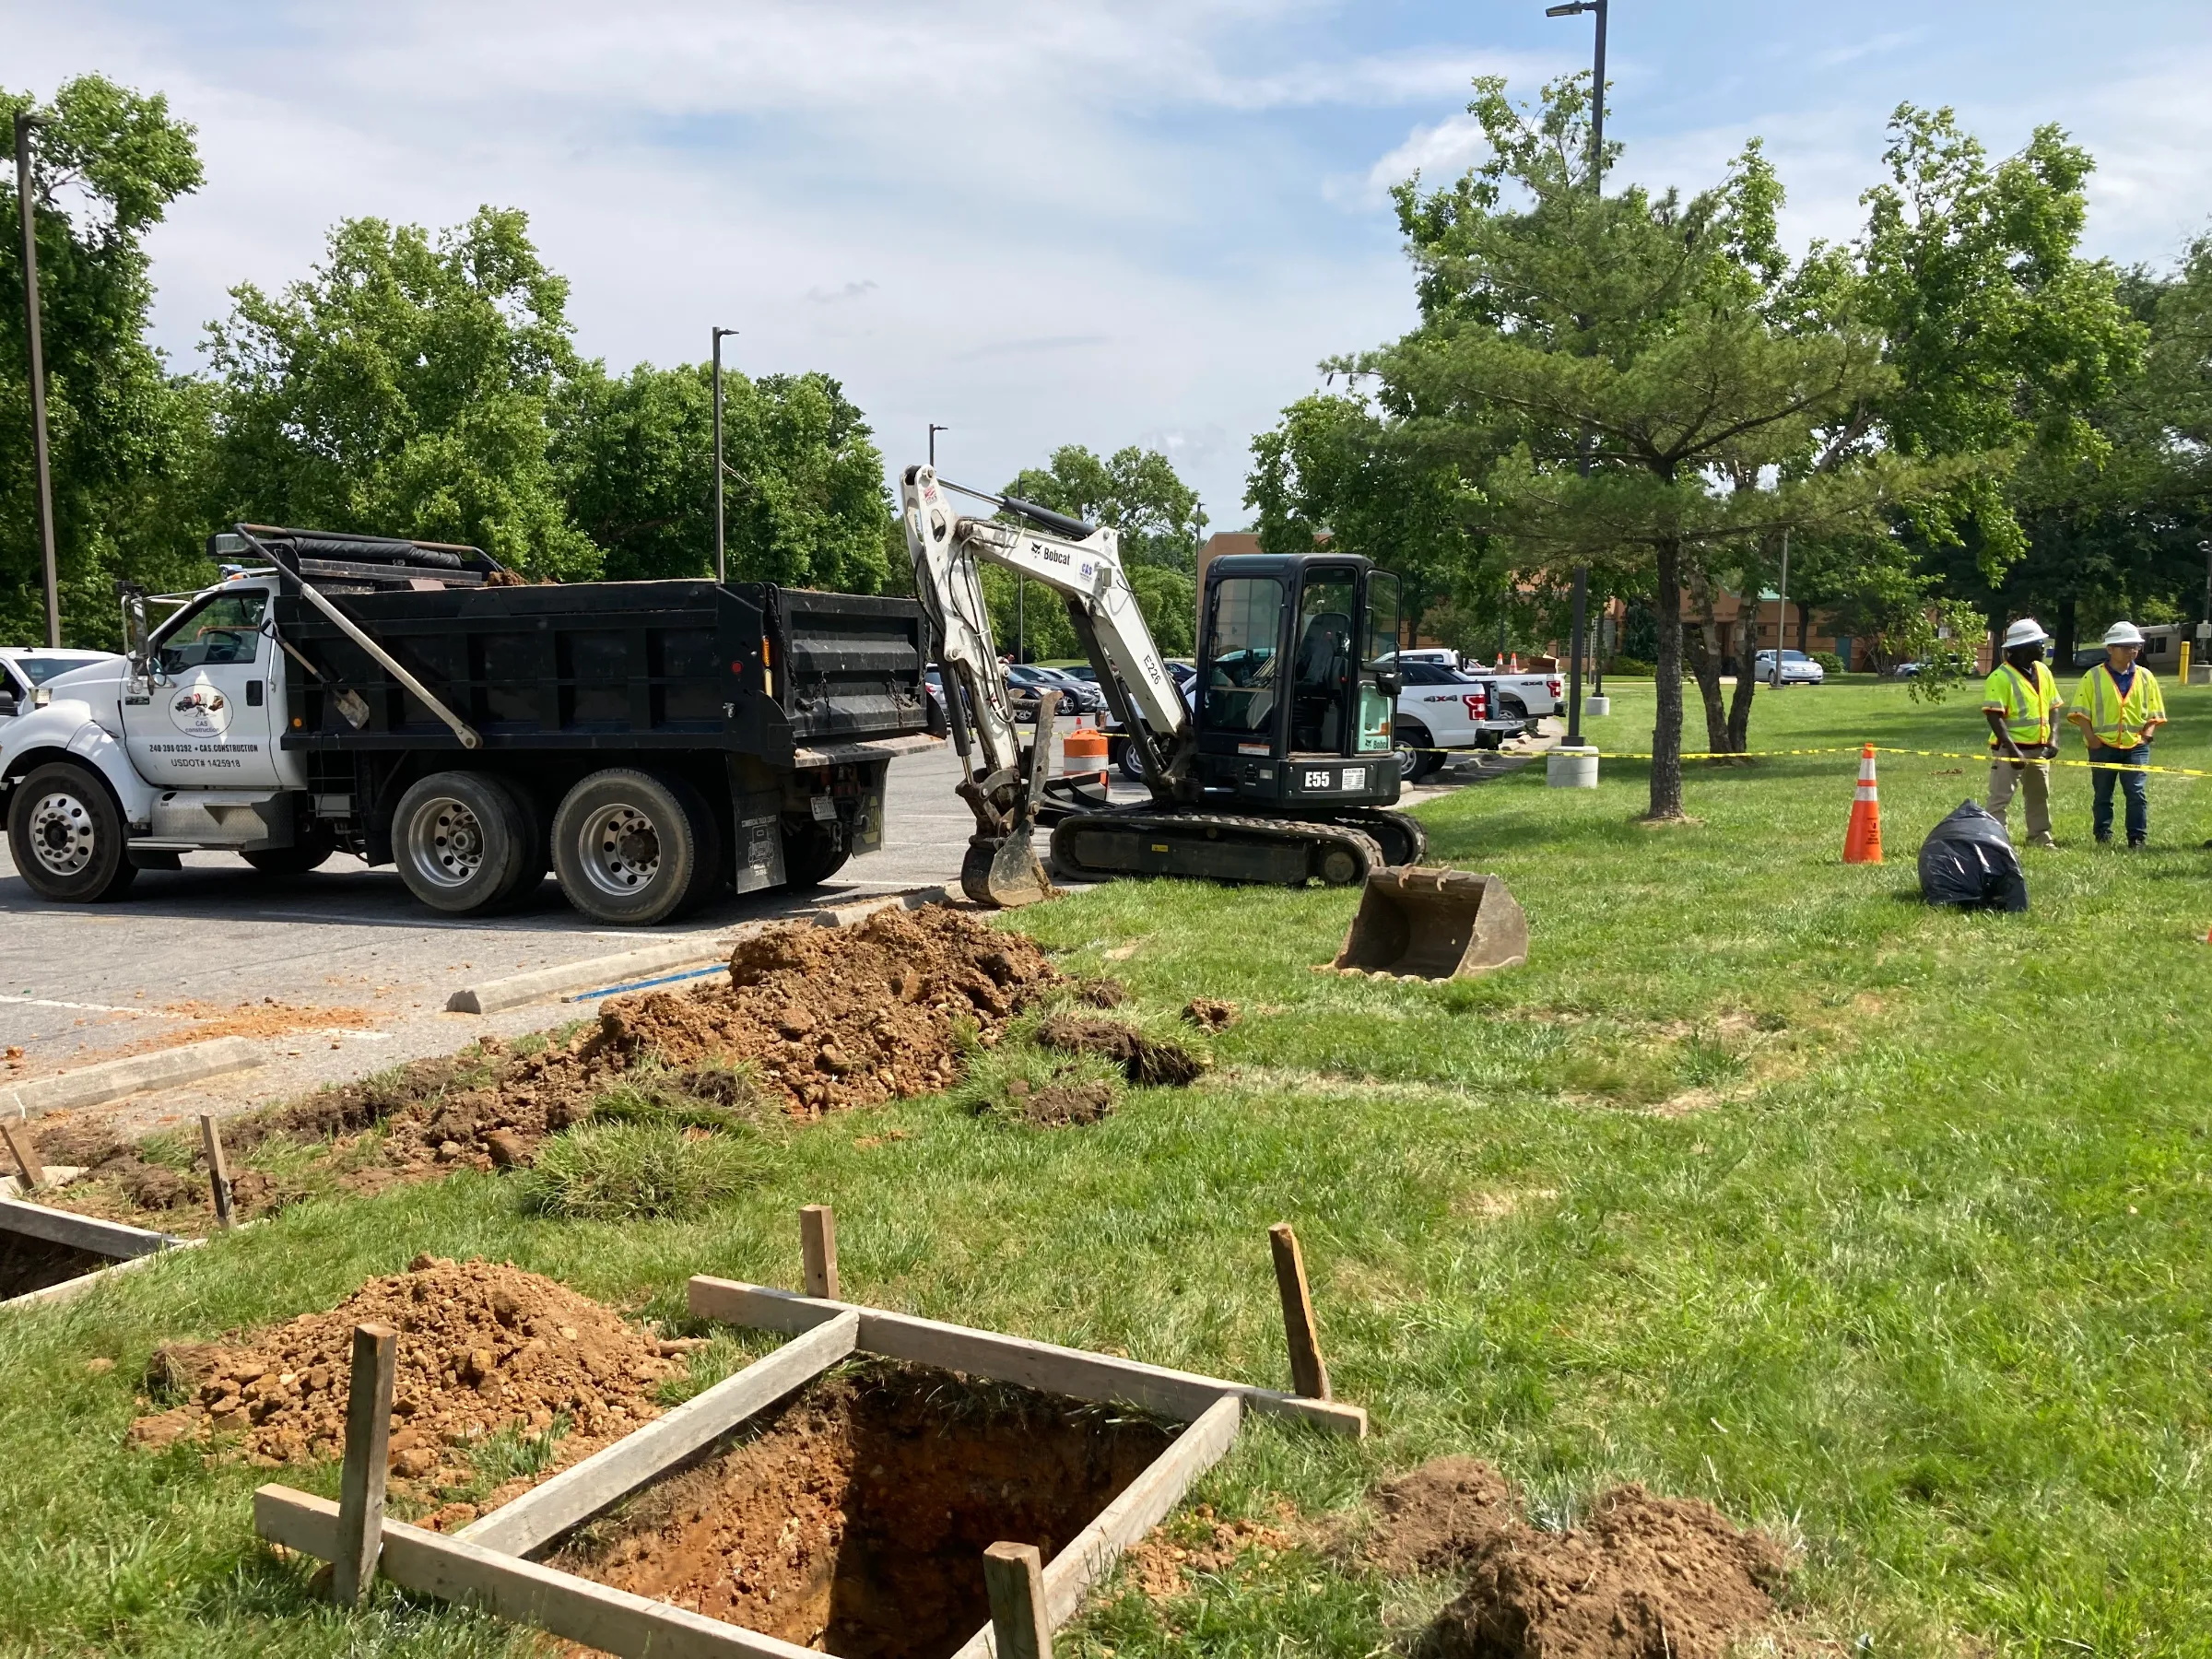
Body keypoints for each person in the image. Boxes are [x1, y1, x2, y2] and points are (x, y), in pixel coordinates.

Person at [2065, 620, 2167, 847]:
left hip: (2136, 747)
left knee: (2136, 794)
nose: (2132, 650)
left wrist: (2146, 736)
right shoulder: (2092, 677)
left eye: (2136, 646)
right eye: (2126, 646)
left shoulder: (2145, 677)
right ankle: (2103, 836)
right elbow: (2080, 711)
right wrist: (2091, 739)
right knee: (2103, 795)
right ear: (2110, 649)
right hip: (2102, 746)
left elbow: (2155, 710)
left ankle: (2137, 838)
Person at [1982, 618, 2062, 849]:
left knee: (2039, 796)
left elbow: (2053, 706)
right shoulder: (2000, 677)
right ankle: (1996, 843)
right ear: (2024, 648)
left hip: (2039, 748)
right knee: (2000, 799)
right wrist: (2013, 750)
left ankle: (2040, 838)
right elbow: (1994, 716)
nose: (2043, 647)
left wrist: (2053, 738)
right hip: (2010, 749)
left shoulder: (2044, 671)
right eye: (2039, 643)